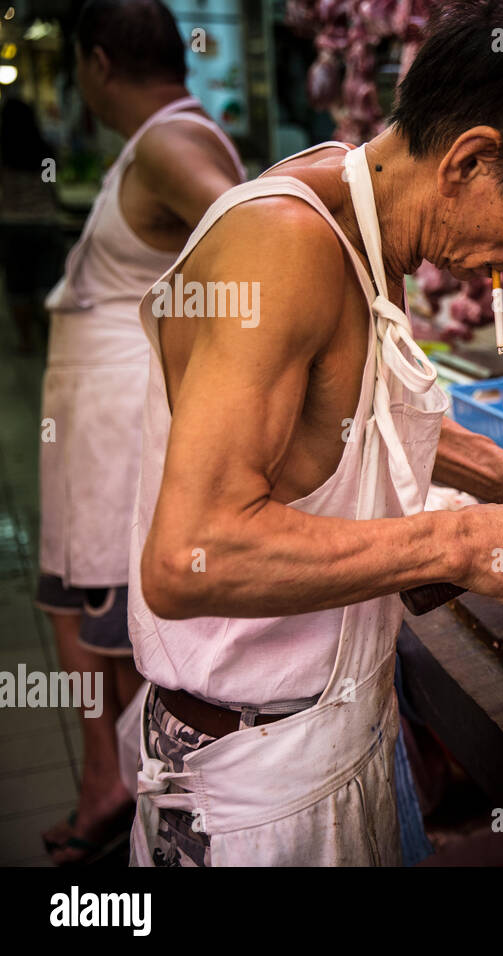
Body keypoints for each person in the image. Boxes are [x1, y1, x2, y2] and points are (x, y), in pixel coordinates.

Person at [128, 0, 503, 866]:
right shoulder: (285, 244)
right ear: (472, 159)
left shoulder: (370, 213)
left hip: (342, 733)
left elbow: (341, 414)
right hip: (255, 790)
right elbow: (192, 554)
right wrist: (451, 543)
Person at [35, 0, 243, 864]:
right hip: (95, 434)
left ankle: (137, 802)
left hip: (126, 436)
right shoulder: (158, 139)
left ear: (96, 63)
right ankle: (107, 785)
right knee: (76, 611)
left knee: (122, 632)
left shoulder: (169, 144)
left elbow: (258, 230)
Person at [0, 98, 61, 353]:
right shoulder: (45, 151)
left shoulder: (2, 153)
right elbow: (51, 185)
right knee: (47, 284)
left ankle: (26, 341)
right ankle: (51, 339)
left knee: (18, 287)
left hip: (12, 226)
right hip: (45, 223)